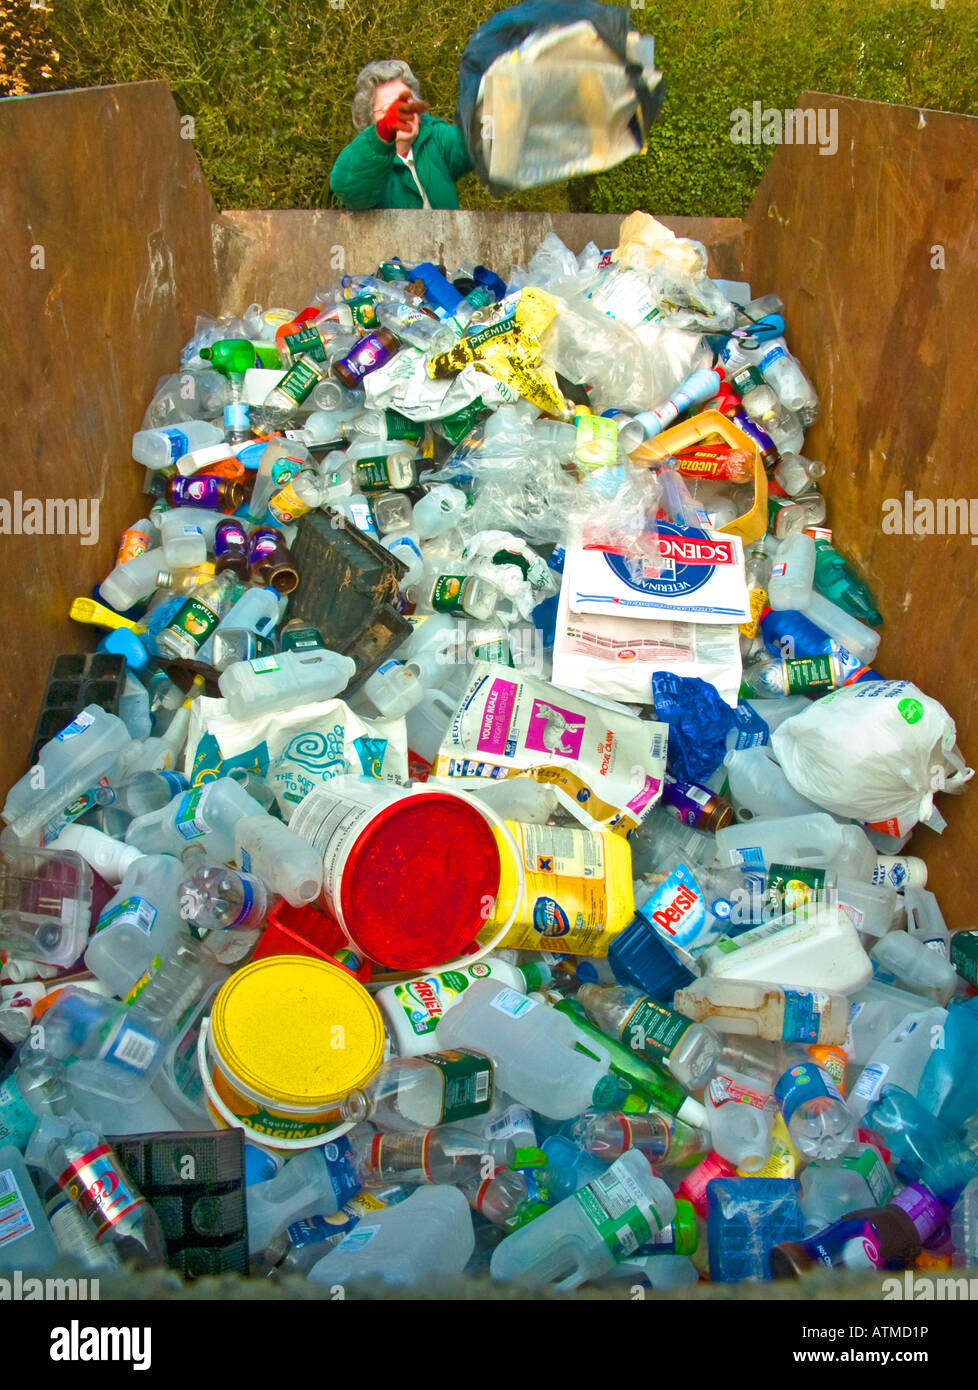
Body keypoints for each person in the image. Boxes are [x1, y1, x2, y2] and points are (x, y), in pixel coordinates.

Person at [330, 60, 473, 211]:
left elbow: (472, 142)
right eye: (390, 109)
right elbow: (347, 187)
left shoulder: (434, 137)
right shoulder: (366, 157)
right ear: (371, 119)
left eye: (407, 104)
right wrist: (384, 131)